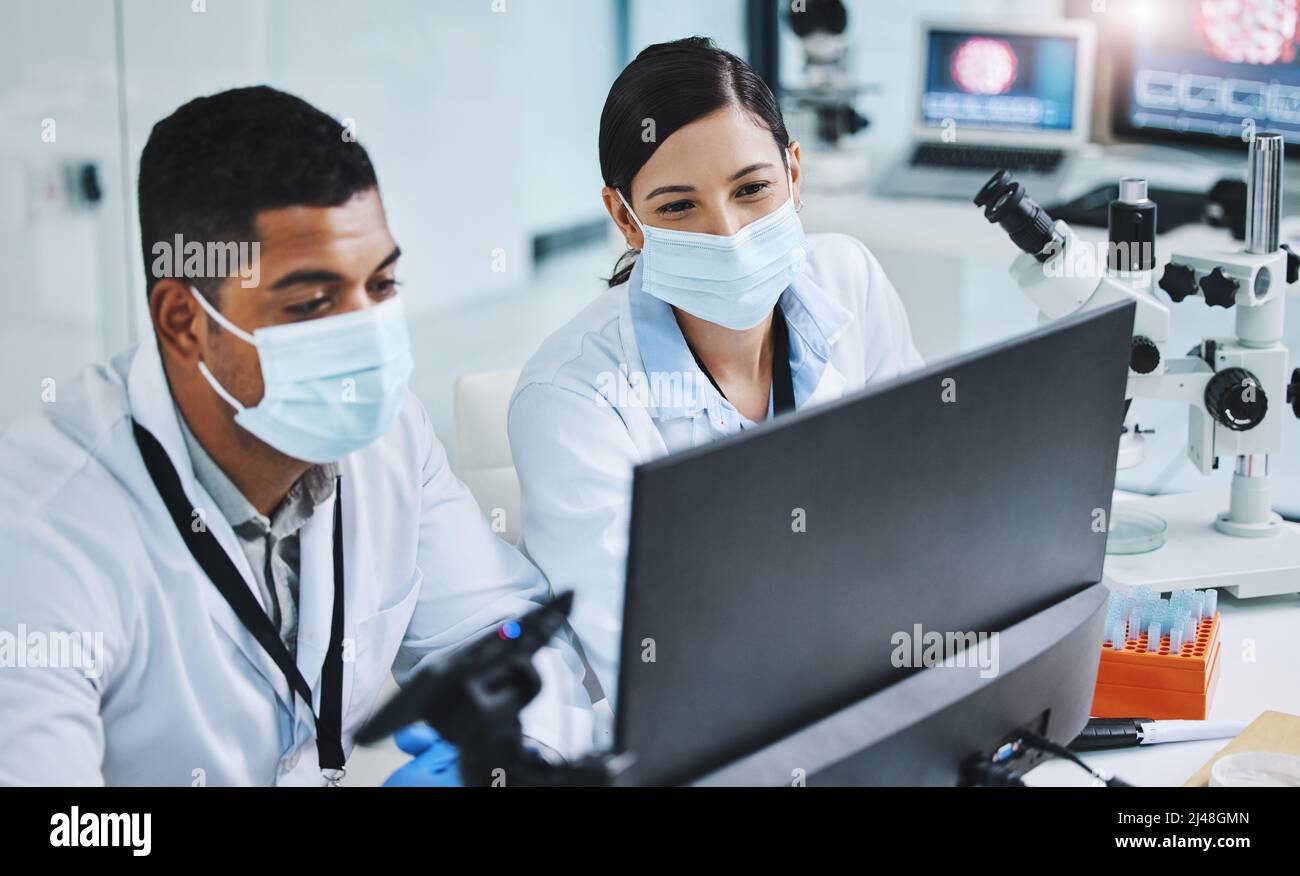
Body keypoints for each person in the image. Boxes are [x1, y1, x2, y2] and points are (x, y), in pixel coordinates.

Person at [0, 86, 591, 786]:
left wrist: (498, 758)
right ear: (183, 321)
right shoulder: (39, 533)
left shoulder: (387, 432)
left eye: (381, 284)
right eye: (312, 302)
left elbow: (505, 637)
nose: (365, 333)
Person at [508, 38, 924, 712]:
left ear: (794, 173)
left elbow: (922, 493)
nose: (727, 234)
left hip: (866, 666)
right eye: (678, 207)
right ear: (626, 218)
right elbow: (652, 661)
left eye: (753, 188)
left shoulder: (848, 277)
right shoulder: (571, 398)